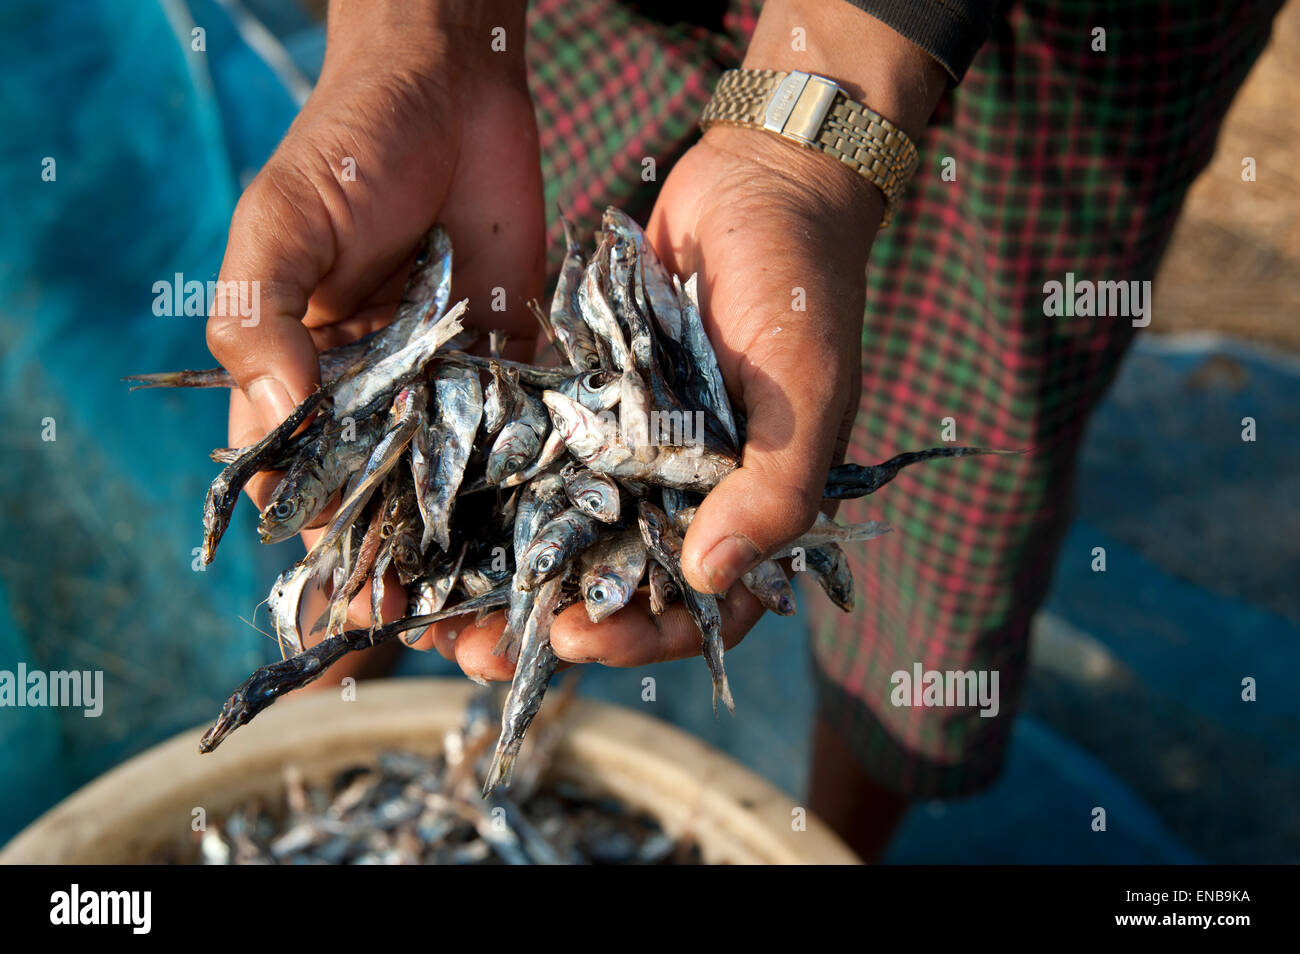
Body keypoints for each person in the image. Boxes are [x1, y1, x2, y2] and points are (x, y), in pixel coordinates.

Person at [204, 0, 1284, 861]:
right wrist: (419, 40)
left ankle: (828, 845)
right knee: (515, 264)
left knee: (939, 529)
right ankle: (307, 735)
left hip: (1062, 52)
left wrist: (803, 147)